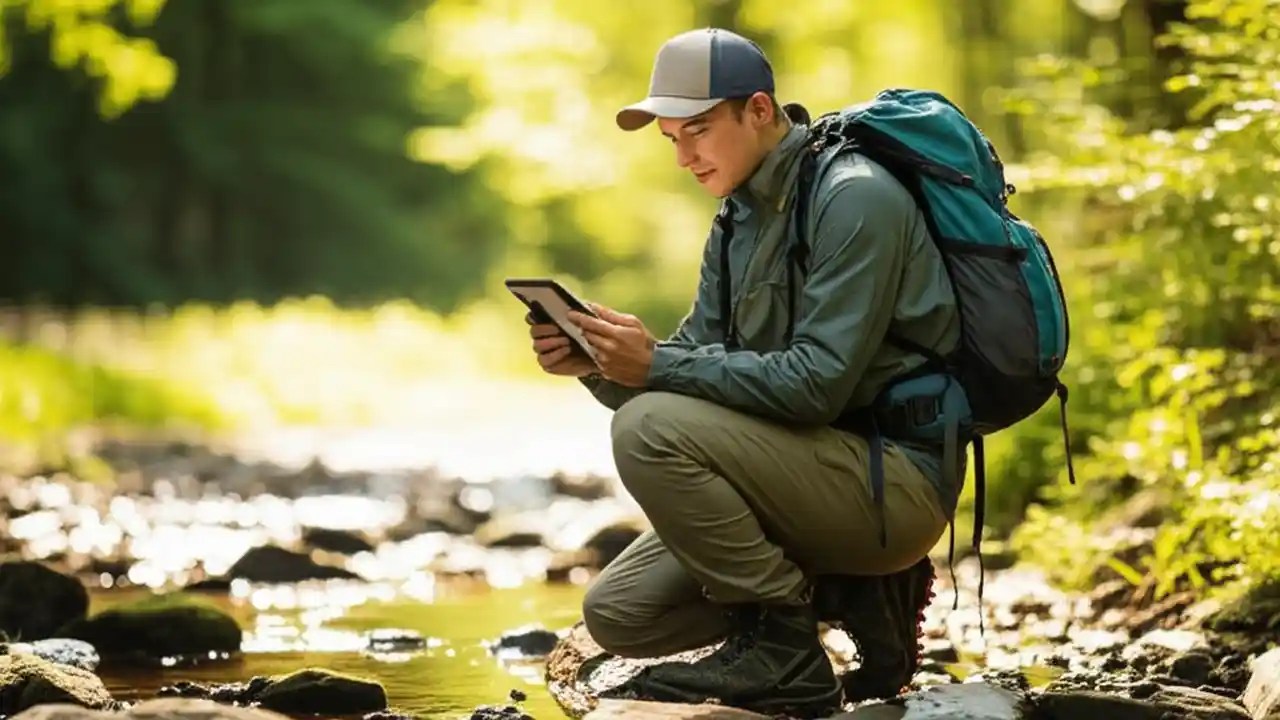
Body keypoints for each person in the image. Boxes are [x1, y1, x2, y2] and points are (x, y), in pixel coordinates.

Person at [526, 27, 965, 718]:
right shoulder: (737, 218)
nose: (683, 157)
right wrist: (601, 366)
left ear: (758, 110)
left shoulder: (855, 196)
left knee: (647, 429)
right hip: (805, 478)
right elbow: (692, 381)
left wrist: (656, 365)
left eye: (696, 130)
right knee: (620, 614)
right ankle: (854, 594)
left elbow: (814, 386)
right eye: (671, 137)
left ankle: (786, 653)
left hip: (893, 484)